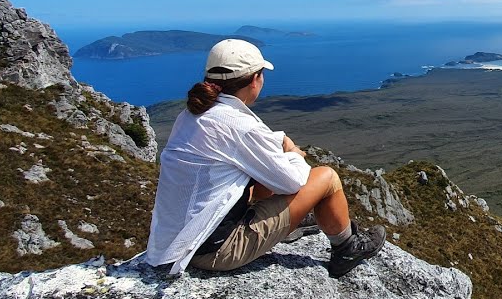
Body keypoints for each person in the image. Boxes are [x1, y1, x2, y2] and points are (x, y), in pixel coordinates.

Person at [145, 39, 385, 277]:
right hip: (215, 252)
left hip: (182, 242)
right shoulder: (239, 125)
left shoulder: (190, 116)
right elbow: (292, 181)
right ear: (254, 80)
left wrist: (279, 143)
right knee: (327, 177)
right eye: (261, 75)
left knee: (258, 173)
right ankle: (347, 248)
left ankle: (286, 225)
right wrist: (293, 154)